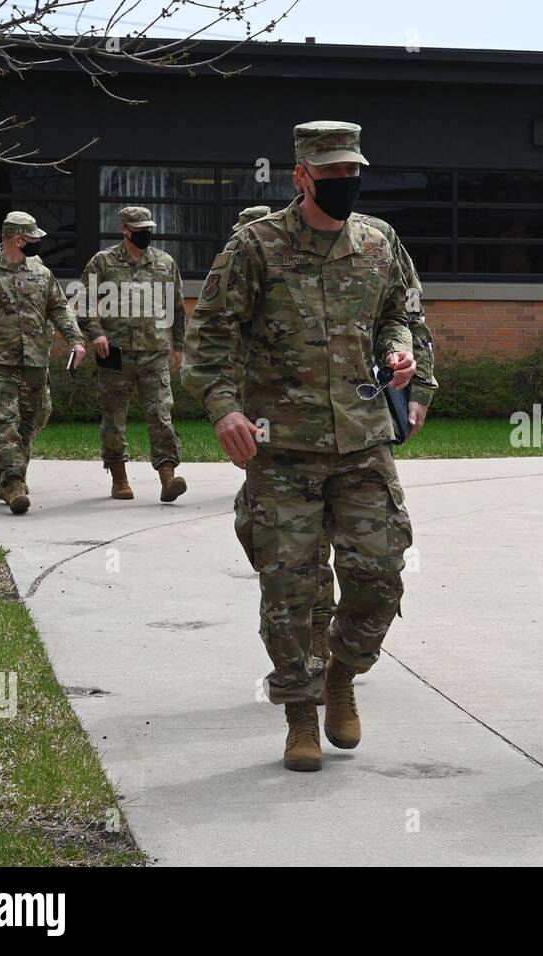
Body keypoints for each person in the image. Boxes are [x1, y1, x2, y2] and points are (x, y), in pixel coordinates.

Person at [184, 121, 420, 772]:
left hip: (362, 439)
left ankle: (342, 673)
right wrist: (225, 409)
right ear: (301, 176)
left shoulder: (378, 243)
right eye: (333, 172)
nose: (346, 181)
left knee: (380, 573)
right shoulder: (254, 248)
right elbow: (207, 342)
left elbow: (401, 312)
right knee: (287, 589)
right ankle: (300, 712)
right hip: (281, 447)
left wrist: (399, 354)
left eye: (353, 170)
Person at [0, 212, 87, 514]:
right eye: (33, 237)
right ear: (18, 238)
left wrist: (75, 339)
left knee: (33, 417)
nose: (38, 242)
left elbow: (59, 308)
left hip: (36, 360)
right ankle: (12, 483)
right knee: (5, 423)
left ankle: (13, 473)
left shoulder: (40, 271)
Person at [76, 206, 188, 502]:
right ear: (125, 230)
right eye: (139, 230)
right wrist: (96, 334)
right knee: (114, 419)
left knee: (161, 415)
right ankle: (119, 477)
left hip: (154, 351)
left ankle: (168, 477)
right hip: (114, 353)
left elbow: (177, 308)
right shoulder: (102, 262)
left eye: (148, 229)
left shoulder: (165, 263)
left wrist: (179, 347)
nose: (146, 235)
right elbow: (84, 303)